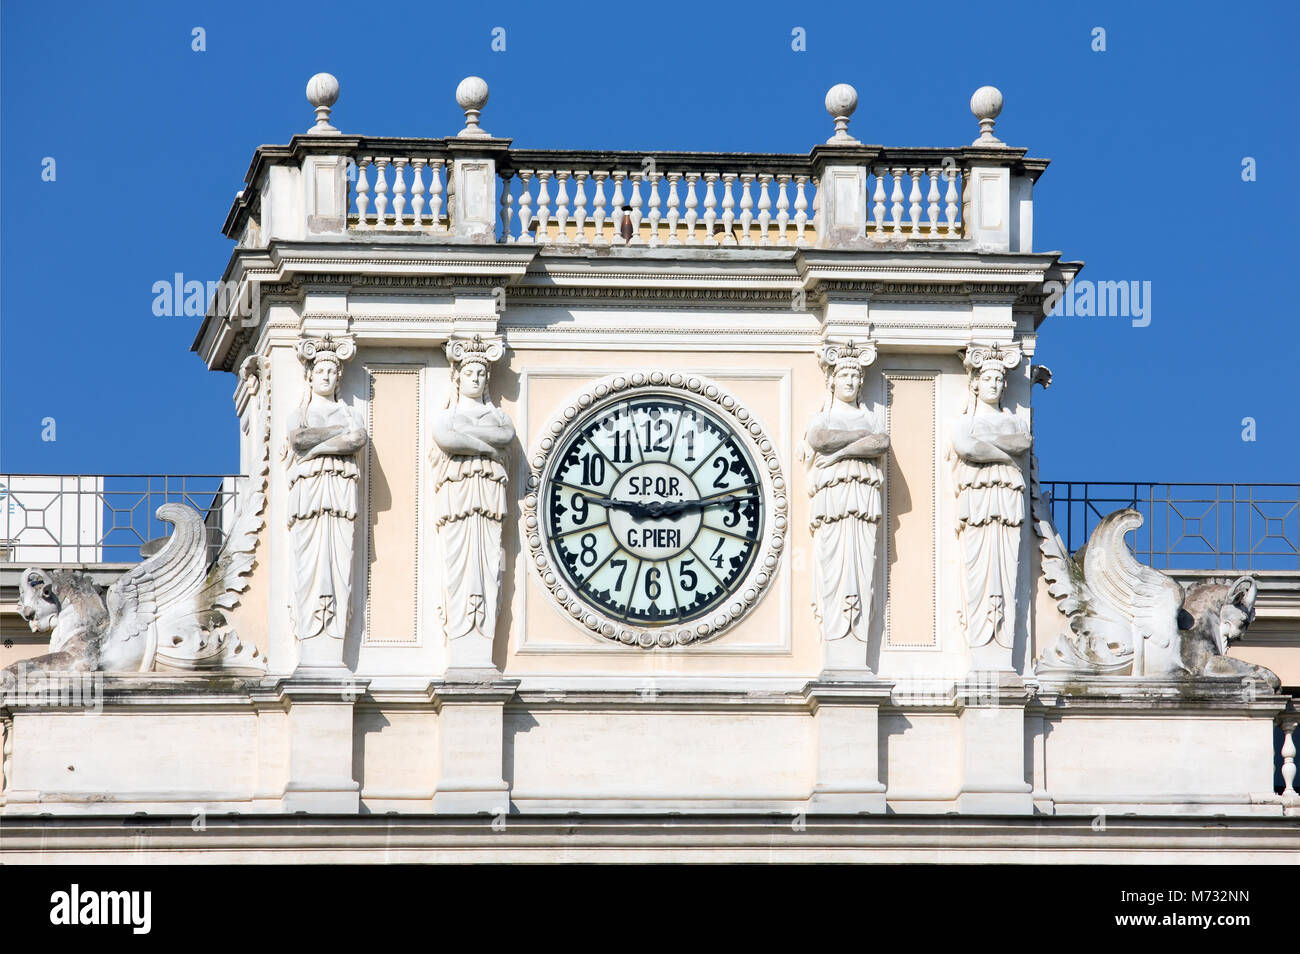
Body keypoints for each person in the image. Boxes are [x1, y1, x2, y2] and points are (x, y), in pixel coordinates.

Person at [804, 343, 890, 645]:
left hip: (862, 501)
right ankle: (839, 628)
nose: (851, 382)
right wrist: (859, 439)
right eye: (844, 376)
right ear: (832, 381)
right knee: (832, 564)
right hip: (833, 504)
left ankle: (853, 630)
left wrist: (840, 454)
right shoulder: (823, 418)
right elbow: (819, 438)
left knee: (862, 561)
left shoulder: (869, 420)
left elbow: (880, 443)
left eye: (855, 376)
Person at [430, 336, 515, 643]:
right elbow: (446, 438)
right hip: (457, 499)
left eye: (481, 373)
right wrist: (487, 448)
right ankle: (463, 626)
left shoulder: (498, 417)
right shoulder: (447, 417)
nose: (476, 378)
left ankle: (478, 627)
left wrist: (469, 438)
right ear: (458, 377)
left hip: (488, 498)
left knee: (490, 557)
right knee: (457, 559)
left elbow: (505, 435)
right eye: (469, 373)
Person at [286, 335, 367, 642]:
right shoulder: (301, 414)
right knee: (309, 559)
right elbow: (298, 440)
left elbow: (356, 440)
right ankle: (313, 624)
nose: (326, 376)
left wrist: (317, 447)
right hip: (310, 495)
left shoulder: (350, 415)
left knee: (339, 554)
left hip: (340, 493)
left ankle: (332, 619)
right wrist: (333, 437)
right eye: (320, 371)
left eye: (332, 372)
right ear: (310, 376)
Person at [949, 345, 1031, 650]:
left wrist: (991, 447)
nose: (995, 384)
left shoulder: (1015, 424)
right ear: (975, 383)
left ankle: (997, 637)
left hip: (1005, 502)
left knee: (1005, 564)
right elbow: (967, 447)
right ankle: (982, 632)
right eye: (988, 379)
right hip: (977, 503)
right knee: (976, 568)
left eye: (999, 379)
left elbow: (1022, 442)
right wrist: (1006, 456)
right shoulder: (965, 424)